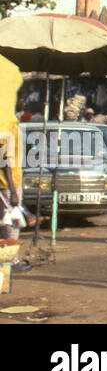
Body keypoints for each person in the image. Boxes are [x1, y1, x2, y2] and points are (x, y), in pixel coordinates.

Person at [0, 56, 23, 247]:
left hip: (8, 183)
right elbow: (5, 159)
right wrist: (14, 191)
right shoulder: (6, 121)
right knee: (10, 228)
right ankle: (10, 263)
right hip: (8, 185)